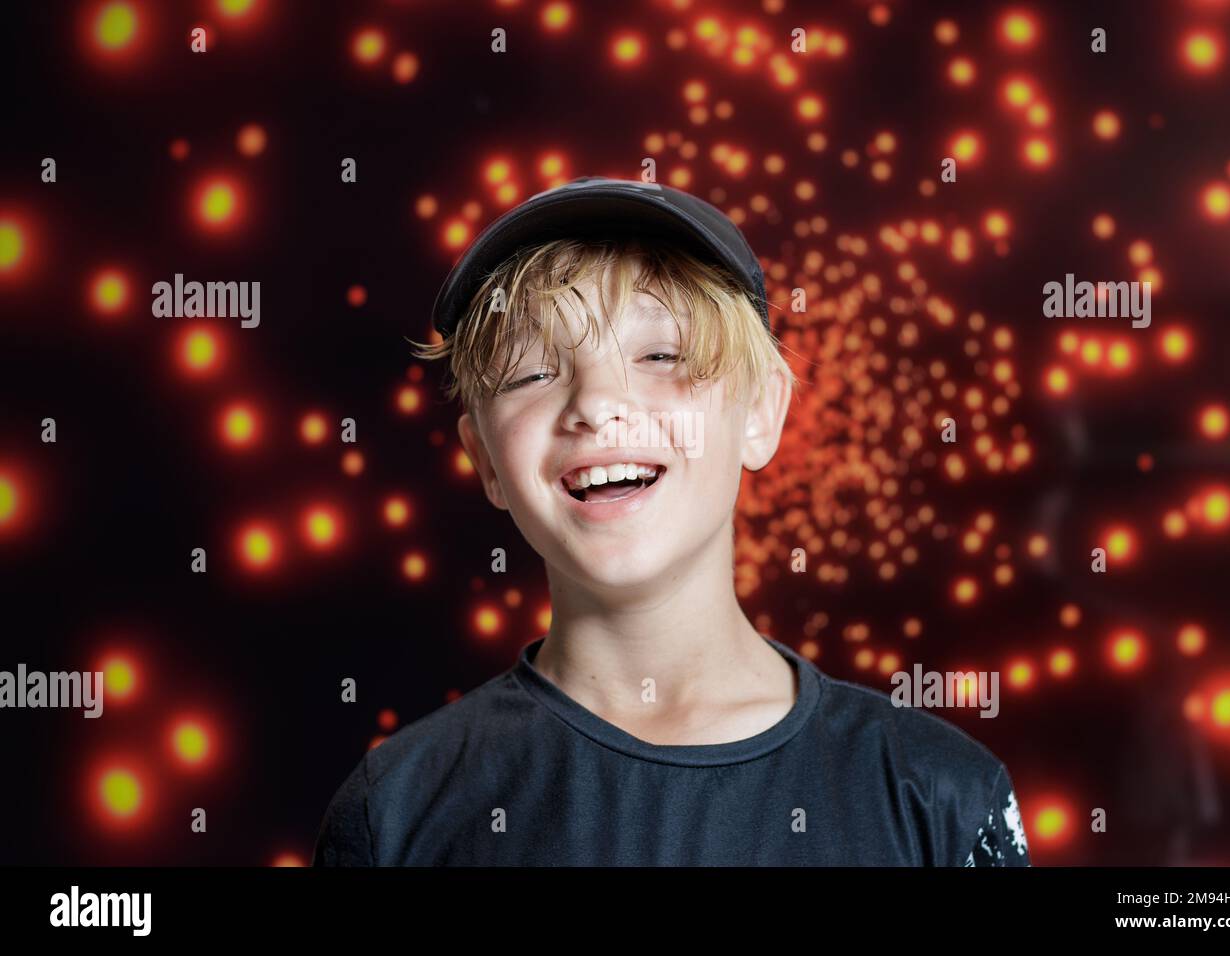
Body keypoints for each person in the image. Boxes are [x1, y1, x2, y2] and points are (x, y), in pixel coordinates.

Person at [312, 177, 1031, 866]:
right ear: (487, 461)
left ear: (761, 411)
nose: (597, 404)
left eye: (661, 354)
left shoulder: (941, 798)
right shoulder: (397, 812)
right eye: (532, 372)